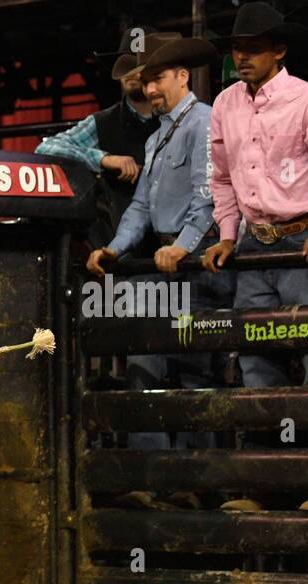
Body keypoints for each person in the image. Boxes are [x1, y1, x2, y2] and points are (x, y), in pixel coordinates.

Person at [85, 33, 232, 467]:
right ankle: (156, 475)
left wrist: (183, 246)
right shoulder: (157, 139)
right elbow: (143, 205)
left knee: (197, 372)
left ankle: (202, 476)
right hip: (169, 263)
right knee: (145, 362)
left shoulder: (204, 122)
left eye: (158, 79)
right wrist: (113, 248)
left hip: (201, 260)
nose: (149, 90)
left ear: (183, 77)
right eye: (146, 81)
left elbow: (208, 195)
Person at [202, 2, 308, 393]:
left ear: (278, 50)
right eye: (237, 48)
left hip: (306, 239)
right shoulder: (227, 103)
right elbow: (223, 177)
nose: (242, 56)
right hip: (254, 244)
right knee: (256, 353)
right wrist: (228, 235)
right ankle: (272, 445)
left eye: (253, 47)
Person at [36, 30, 161, 250]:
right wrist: (104, 159)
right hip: (121, 249)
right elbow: (47, 148)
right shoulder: (103, 122)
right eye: (125, 63)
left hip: (173, 246)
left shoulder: (175, 119)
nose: (131, 71)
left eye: (139, 63)